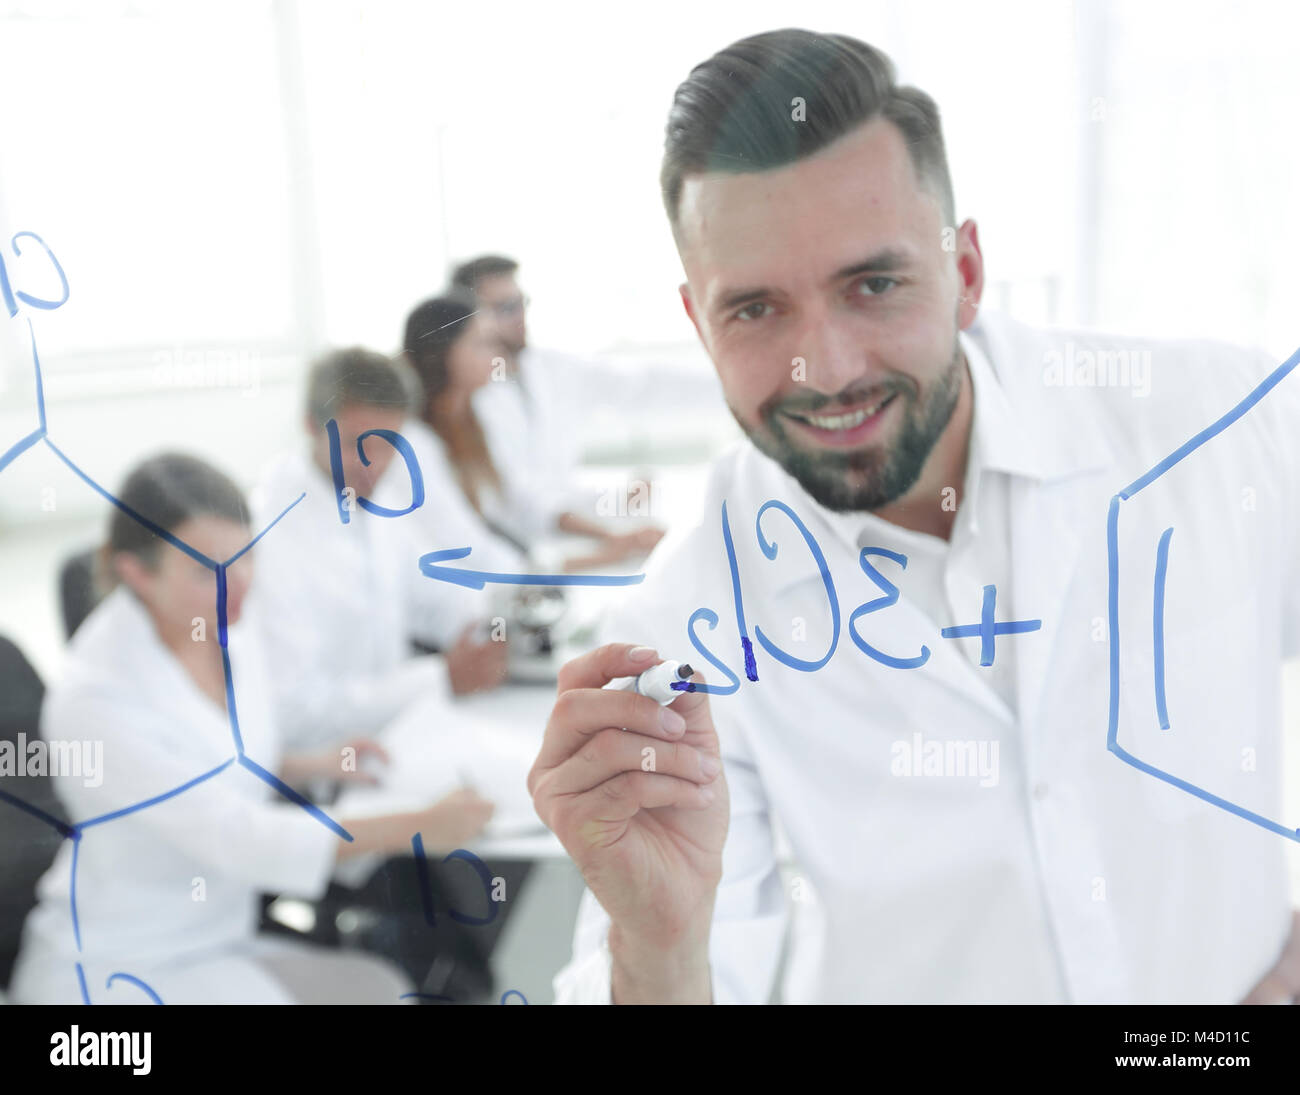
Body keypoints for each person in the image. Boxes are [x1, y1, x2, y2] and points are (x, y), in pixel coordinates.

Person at [531, 28, 1300, 1004]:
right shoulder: (682, 627)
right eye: (756, 311)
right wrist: (657, 945)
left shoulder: (1212, 427)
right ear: (698, 324)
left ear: (966, 272)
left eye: (873, 284)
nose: (831, 369)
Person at [9, 454, 494, 1004]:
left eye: (245, 557)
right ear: (136, 573)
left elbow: (208, 753)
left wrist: (311, 763)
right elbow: (234, 834)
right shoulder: (93, 698)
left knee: (385, 988)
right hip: (120, 966)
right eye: (204, 570)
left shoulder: (223, 624)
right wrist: (418, 826)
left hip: (217, 936)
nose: (238, 585)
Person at [250, 346, 507, 754]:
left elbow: (437, 596)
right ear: (311, 427)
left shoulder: (373, 504)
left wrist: (490, 626)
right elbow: (295, 714)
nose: (374, 464)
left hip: (400, 736)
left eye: (389, 445)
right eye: (355, 444)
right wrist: (440, 679)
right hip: (328, 773)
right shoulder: (269, 538)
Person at [412, 281, 661, 571]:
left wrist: (612, 537)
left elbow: (521, 503)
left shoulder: (471, 425)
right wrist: (602, 554)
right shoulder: (421, 443)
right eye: (482, 344)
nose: (497, 356)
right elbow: (477, 555)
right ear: (441, 353)